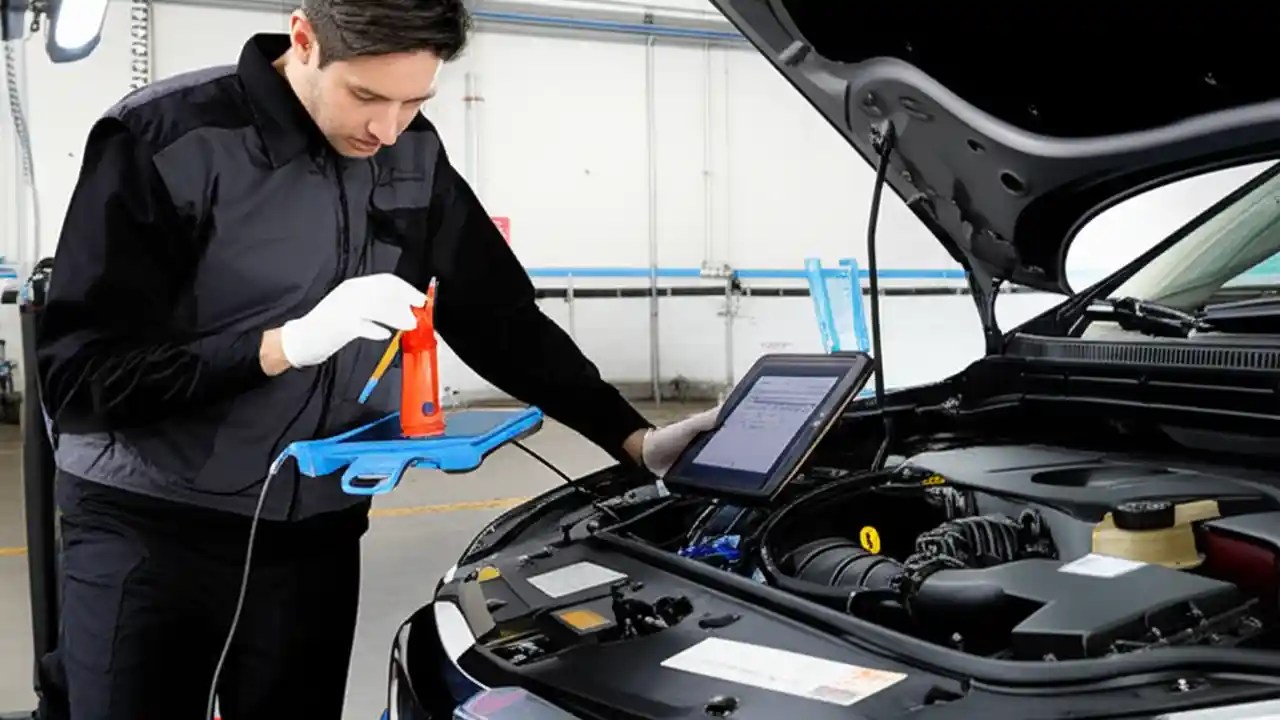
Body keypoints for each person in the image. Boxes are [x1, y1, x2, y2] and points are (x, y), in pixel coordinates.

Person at [33, 0, 717, 717]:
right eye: (366, 96)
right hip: (151, 527)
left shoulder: (411, 152)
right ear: (303, 40)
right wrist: (281, 347)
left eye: (413, 100)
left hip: (314, 533)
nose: (387, 129)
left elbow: (499, 320)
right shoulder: (166, 138)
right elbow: (81, 377)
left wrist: (632, 438)